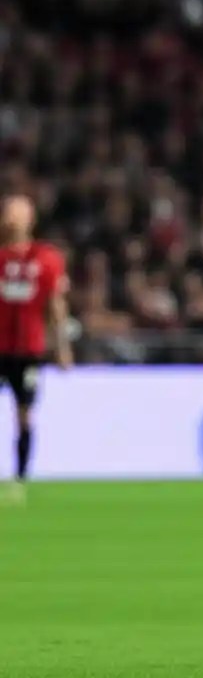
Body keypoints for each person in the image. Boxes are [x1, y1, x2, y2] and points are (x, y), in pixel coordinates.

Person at [0, 194, 72, 505]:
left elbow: (55, 306)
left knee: (25, 415)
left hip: (28, 350)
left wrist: (62, 346)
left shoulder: (46, 259)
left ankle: (20, 479)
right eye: (8, 212)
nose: (12, 218)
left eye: (18, 213)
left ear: (31, 220)